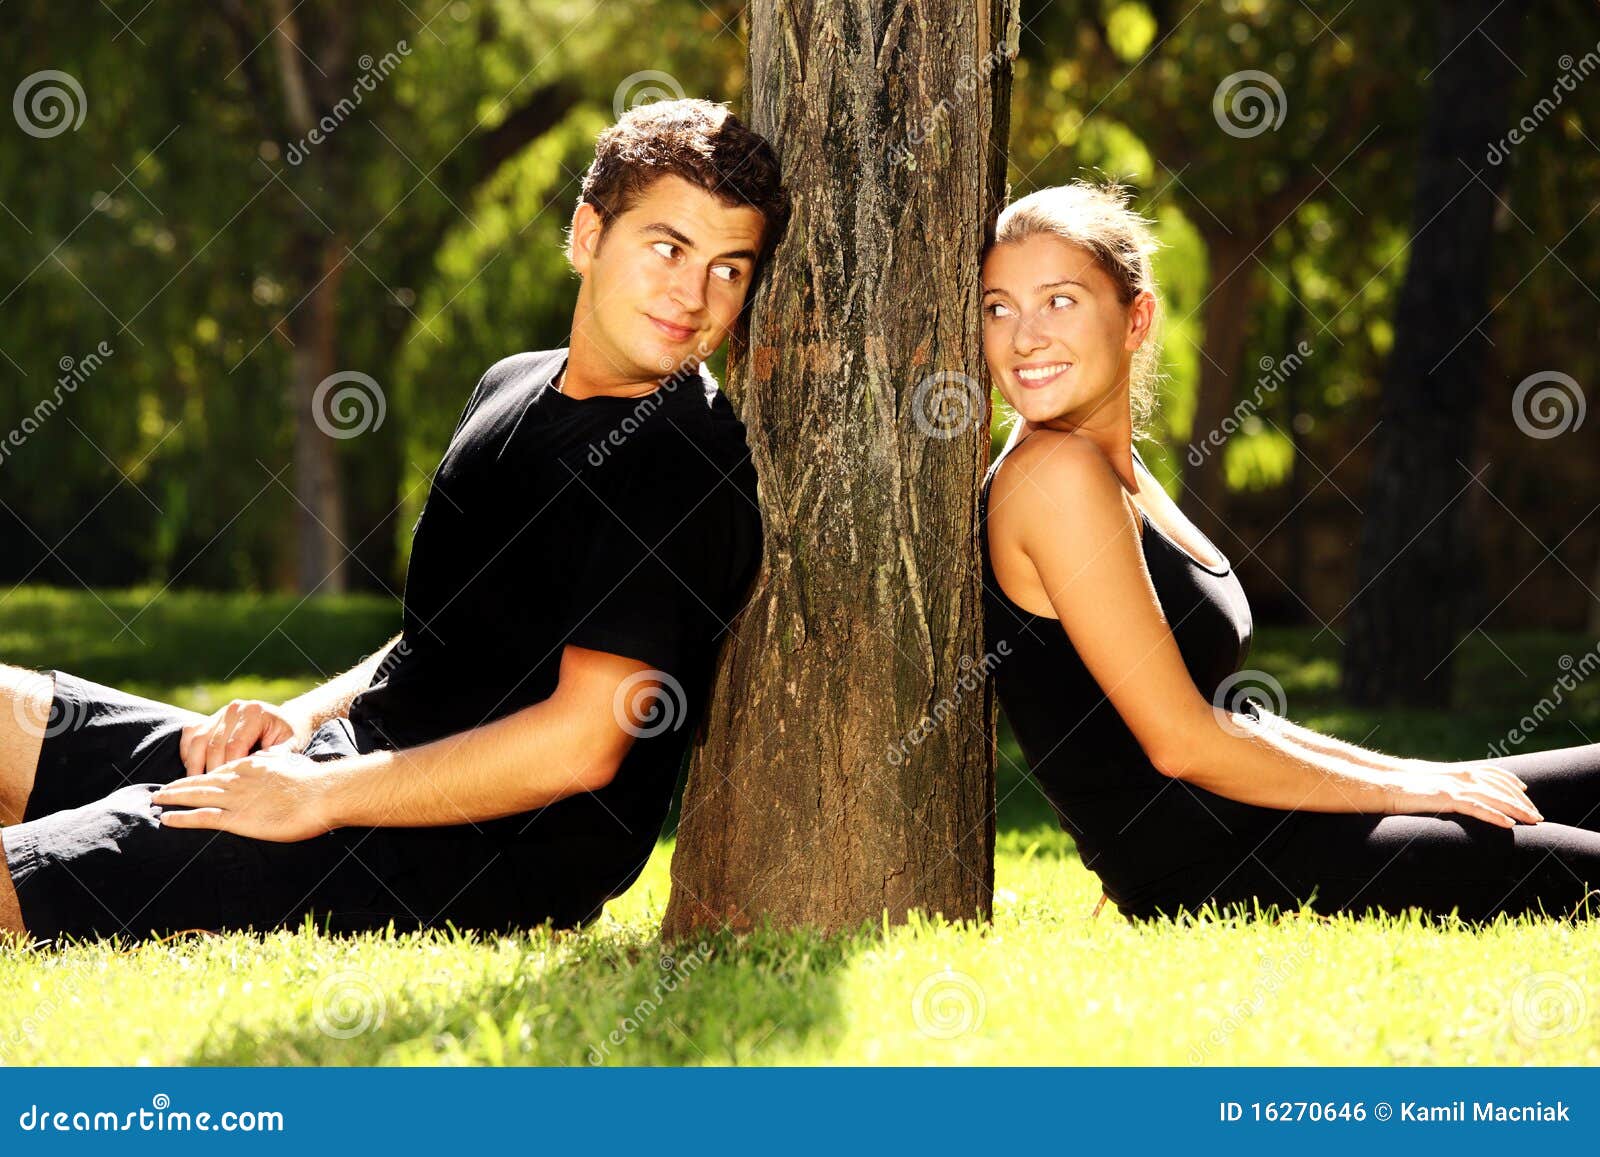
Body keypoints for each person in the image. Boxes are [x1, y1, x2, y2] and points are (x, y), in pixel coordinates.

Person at [0, 98, 788, 943]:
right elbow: (438, 639)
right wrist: (296, 720)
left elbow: (581, 743)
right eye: (669, 248)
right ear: (590, 234)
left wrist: (319, 796)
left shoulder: (675, 462)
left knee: (20, 881)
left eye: (729, 268)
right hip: (356, 766)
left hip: (468, 853)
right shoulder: (512, 384)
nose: (695, 295)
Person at [979, 180, 1600, 924]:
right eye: (998, 307)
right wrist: (1415, 791)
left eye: (1059, 301)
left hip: (1269, 821)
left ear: (1137, 317)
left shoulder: (1118, 469)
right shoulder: (1054, 474)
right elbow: (1180, 743)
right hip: (1220, 872)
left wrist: (1422, 773)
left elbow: (1225, 716)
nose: (1023, 337)